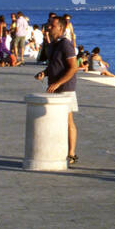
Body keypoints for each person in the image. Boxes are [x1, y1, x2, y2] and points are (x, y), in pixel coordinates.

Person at [36, 15, 79, 165]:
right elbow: (55, 65)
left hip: (66, 88)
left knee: (67, 120)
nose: (48, 27)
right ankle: (58, 149)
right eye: (48, 24)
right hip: (54, 86)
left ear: (60, 28)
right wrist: (45, 73)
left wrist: (58, 83)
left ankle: (71, 153)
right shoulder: (53, 45)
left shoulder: (66, 44)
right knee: (55, 120)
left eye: (52, 25)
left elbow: (73, 67)